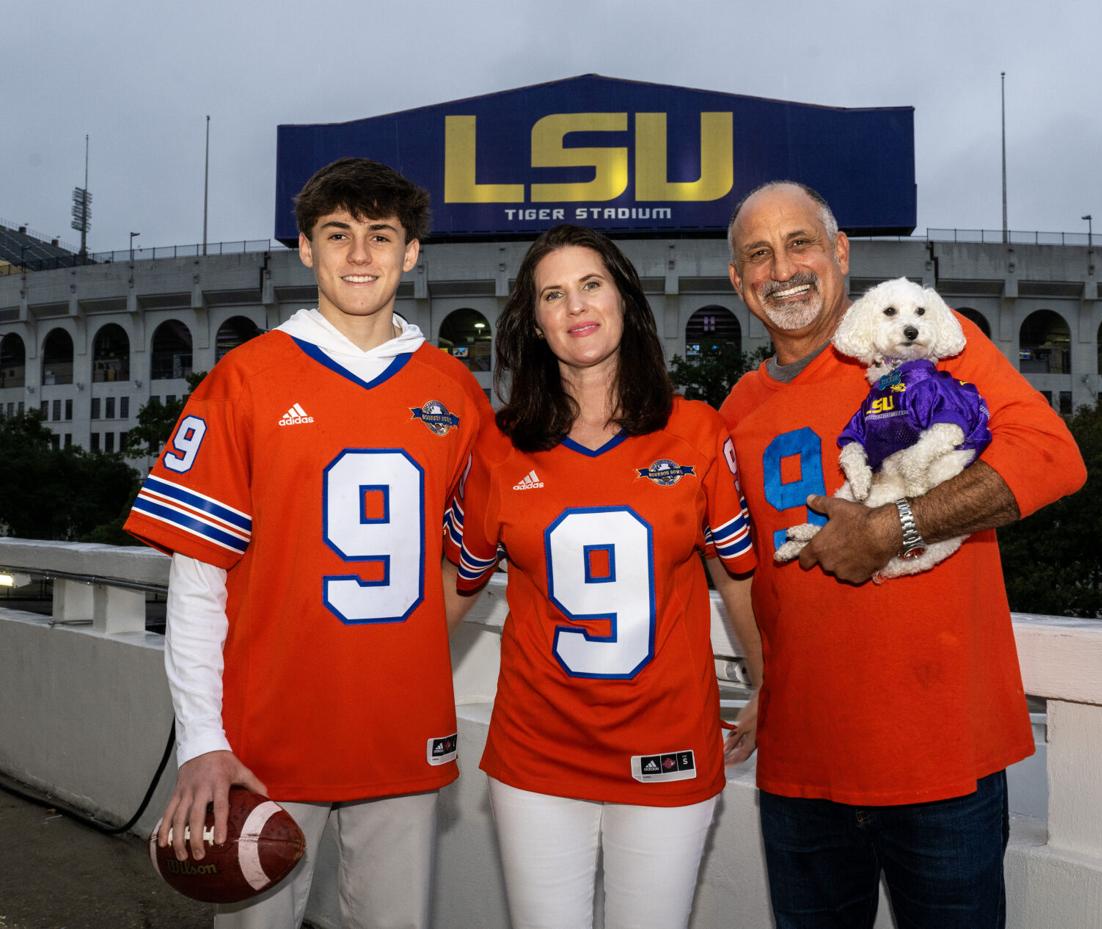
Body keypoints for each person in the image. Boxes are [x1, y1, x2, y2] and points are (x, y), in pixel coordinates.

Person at [124, 157, 490, 929]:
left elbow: (472, 558)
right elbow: (198, 583)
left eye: (380, 236)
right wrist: (201, 740)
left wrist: (406, 652)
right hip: (268, 742)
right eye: (339, 234)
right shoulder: (245, 378)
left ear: (412, 252)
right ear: (306, 248)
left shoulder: (455, 390)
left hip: (402, 732)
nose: (360, 255)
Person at [720, 181, 1086, 929]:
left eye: (801, 244)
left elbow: (1054, 454)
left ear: (840, 254)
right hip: (802, 768)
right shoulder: (735, 412)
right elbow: (746, 574)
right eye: (758, 254)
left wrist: (896, 528)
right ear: (738, 281)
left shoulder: (922, 346)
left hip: (940, 759)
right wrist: (765, 680)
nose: (782, 268)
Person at [443, 224, 762, 929]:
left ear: (624, 299)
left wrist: (770, 681)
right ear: (533, 322)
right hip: (538, 748)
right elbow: (458, 584)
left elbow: (738, 577)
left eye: (590, 284)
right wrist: (380, 681)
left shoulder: (698, 431)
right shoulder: (496, 445)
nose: (575, 306)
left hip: (668, 741)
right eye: (552, 294)